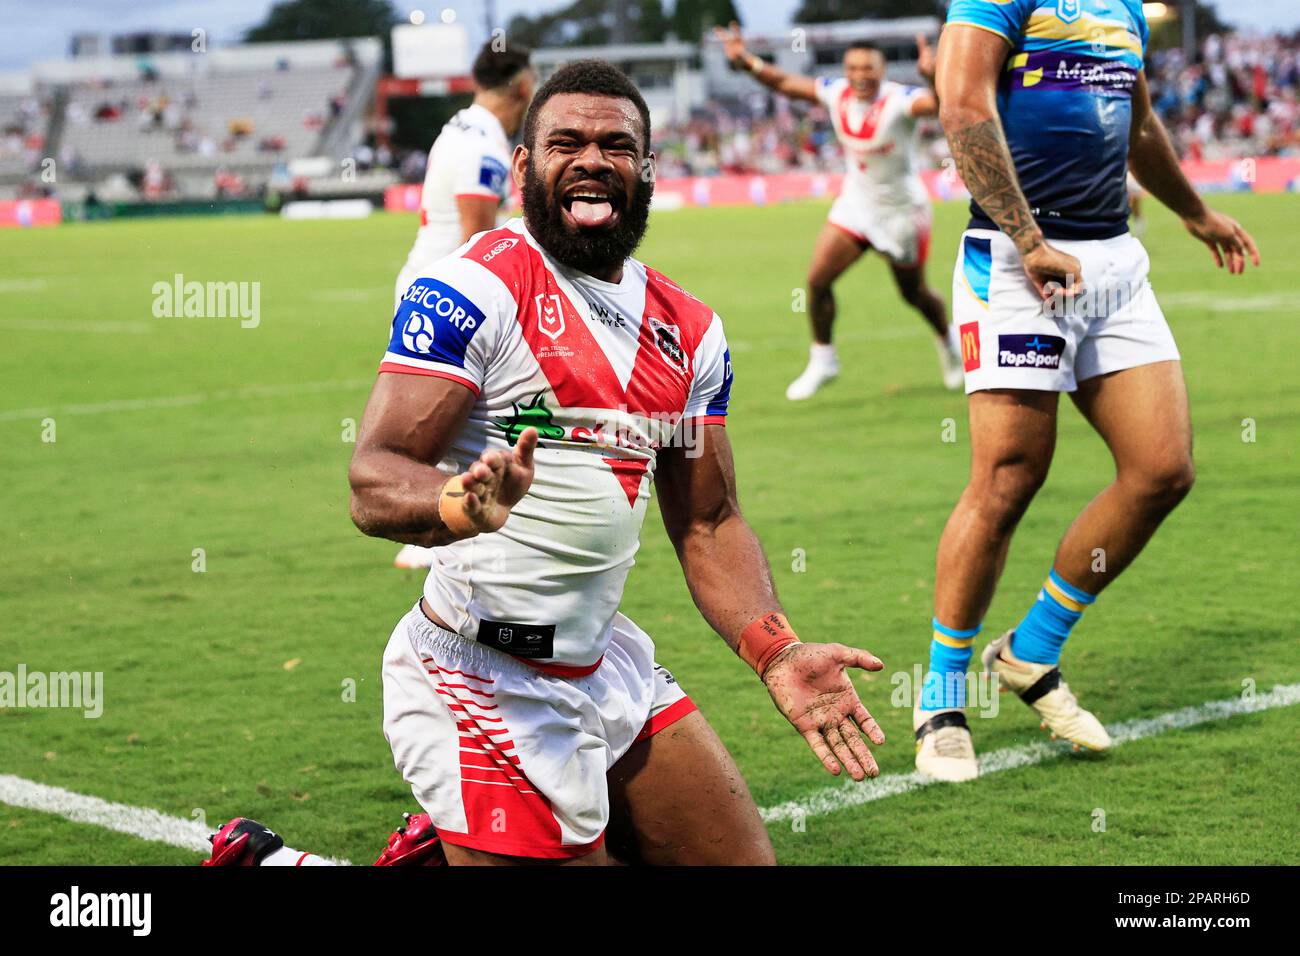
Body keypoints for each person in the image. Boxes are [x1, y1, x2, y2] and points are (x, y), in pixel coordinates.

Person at [209, 60, 886, 866]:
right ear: (525, 166)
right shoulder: (473, 288)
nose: (593, 159)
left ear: (647, 170)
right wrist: (461, 506)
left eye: (617, 145)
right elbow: (375, 474)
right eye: (565, 142)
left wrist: (775, 649)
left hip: (602, 662)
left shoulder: (692, 329)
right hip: (479, 670)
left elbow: (708, 519)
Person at [913, 0, 1259, 782]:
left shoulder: (1126, 8)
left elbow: (1137, 126)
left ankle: (1031, 651)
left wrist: (1195, 213)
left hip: (1112, 263)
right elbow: (962, 101)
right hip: (1012, 261)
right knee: (1008, 477)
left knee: (1162, 469)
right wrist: (1030, 240)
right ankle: (939, 699)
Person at [716, 23, 964, 398]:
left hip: (900, 213)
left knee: (913, 295)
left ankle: (948, 343)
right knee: (817, 280)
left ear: (882, 71)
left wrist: (934, 79)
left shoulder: (899, 101)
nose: (859, 76)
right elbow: (785, 83)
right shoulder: (836, 94)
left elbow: (940, 106)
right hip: (856, 204)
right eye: (853, 68)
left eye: (868, 68)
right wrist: (747, 61)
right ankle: (824, 358)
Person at [393, 41, 536, 570]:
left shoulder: (461, 126)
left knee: (448, 423)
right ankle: (426, 529)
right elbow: (478, 235)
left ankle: (442, 523)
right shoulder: (485, 148)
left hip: (426, 286)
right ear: (522, 86)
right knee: (449, 422)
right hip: (449, 300)